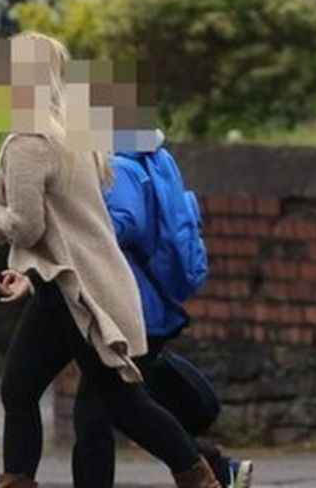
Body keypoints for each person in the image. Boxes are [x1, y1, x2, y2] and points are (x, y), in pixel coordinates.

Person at [0, 32, 221, 488]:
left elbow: (27, 225)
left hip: (81, 294)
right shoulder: (76, 136)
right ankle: (16, 479)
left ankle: (201, 474)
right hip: (70, 287)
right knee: (19, 387)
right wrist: (31, 278)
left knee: (122, 401)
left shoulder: (28, 141)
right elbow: (65, 226)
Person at [69, 144, 253, 488]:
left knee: (99, 412)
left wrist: (71, 214)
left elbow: (126, 222)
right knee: (115, 406)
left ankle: (210, 467)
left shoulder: (121, 165)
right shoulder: (153, 157)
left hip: (133, 307)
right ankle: (213, 466)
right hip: (144, 306)